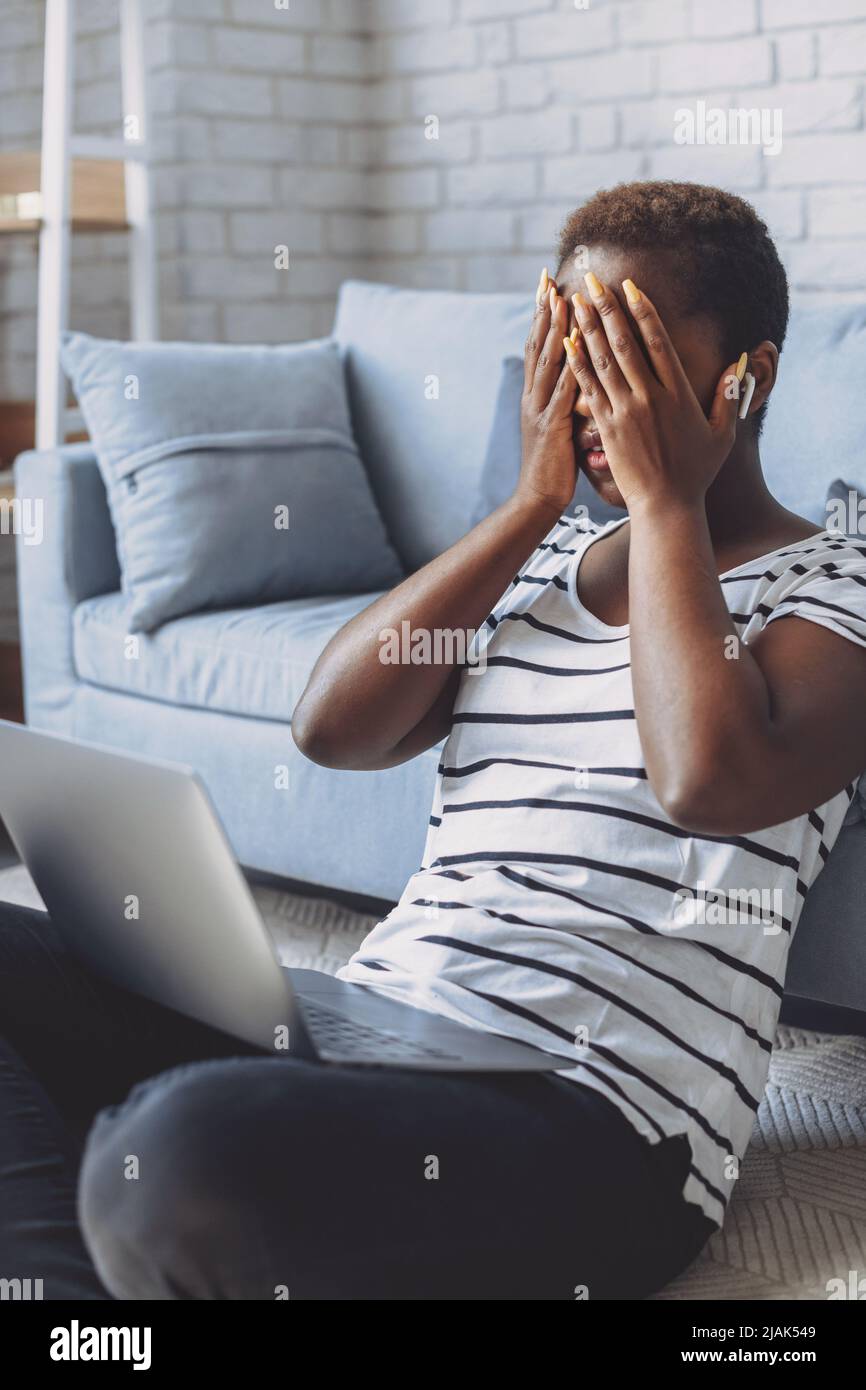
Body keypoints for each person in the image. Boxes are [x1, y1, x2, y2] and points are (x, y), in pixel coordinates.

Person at [2, 182, 865, 1301]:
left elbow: (705, 778)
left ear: (742, 376)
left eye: (625, 360)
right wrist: (523, 508)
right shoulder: (542, 563)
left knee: (175, 1150)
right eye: (569, 350)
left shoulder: (831, 583)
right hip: (374, 1027)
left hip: (594, 1120)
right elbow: (331, 730)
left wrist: (664, 507)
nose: (592, 400)